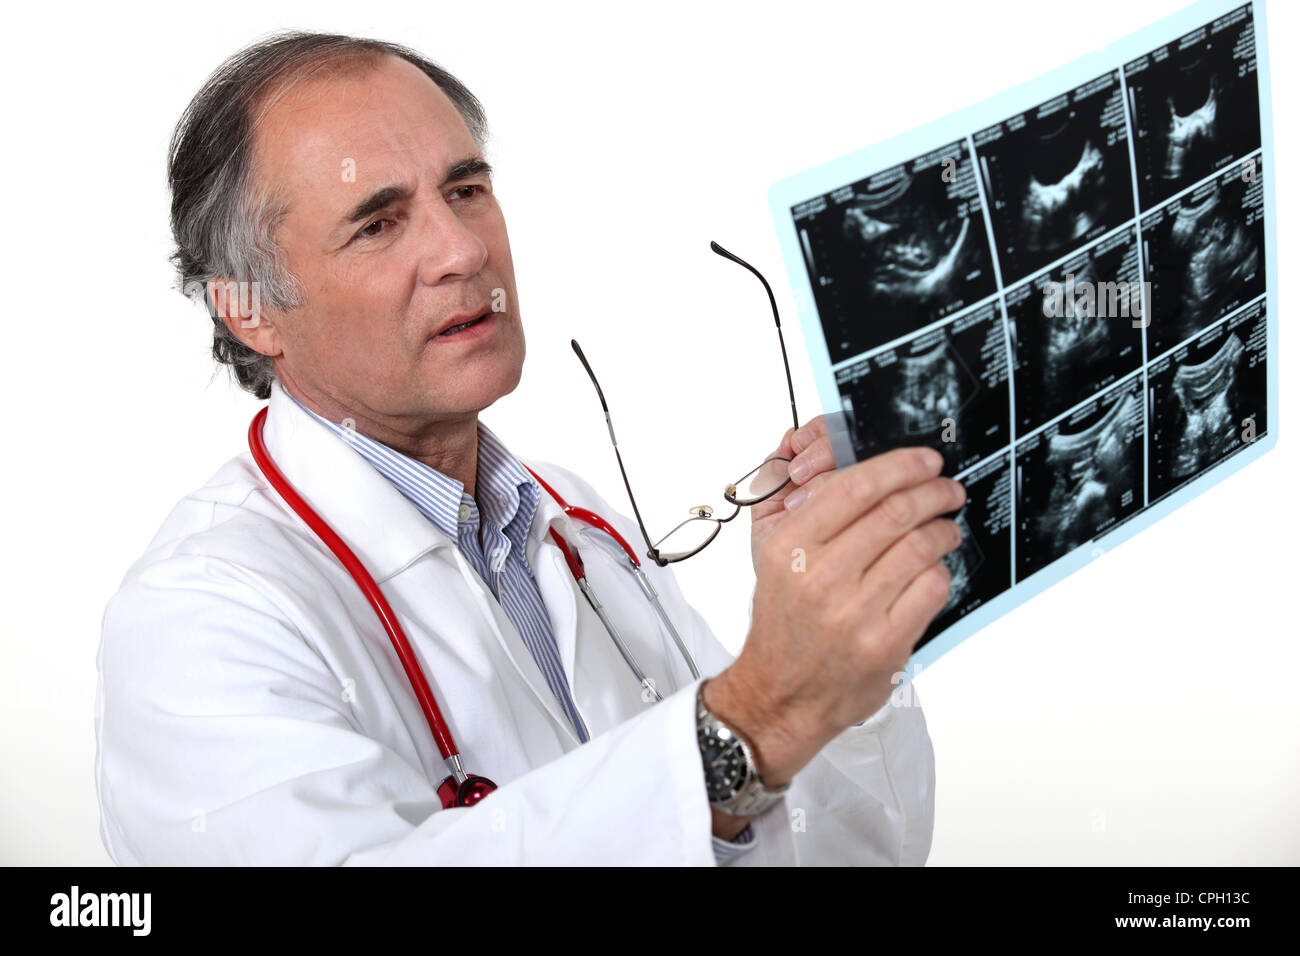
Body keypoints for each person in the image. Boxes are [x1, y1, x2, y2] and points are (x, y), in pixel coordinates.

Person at [95, 31, 967, 866]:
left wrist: (849, 642)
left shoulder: (579, 527)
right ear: (249, 307)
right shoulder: (199, 620)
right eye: (377, 224)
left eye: (466, 189)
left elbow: (851, 852)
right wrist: (755, 721)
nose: (463, 250)